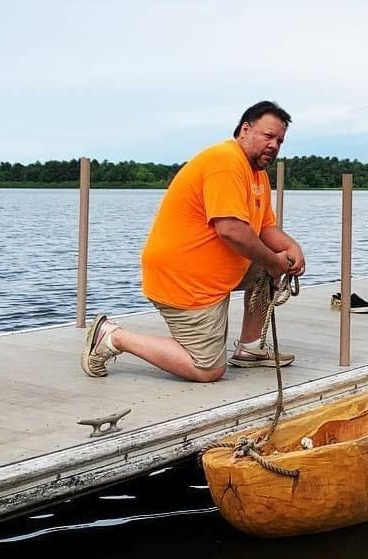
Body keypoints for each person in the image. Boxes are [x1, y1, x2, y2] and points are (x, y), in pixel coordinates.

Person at [81, 100, 306, 382]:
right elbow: (231, 230)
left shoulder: (256, 173)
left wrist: (290, 248)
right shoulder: (225, 162)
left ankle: (250, 349)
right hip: (185, 277)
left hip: (209, 272)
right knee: (207, 369)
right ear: (245, 130)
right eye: (268, 136)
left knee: (273, 261)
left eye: (280, 140)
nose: (274, 145)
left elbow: (263, 228)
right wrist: (274, 261)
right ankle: (113, 337)